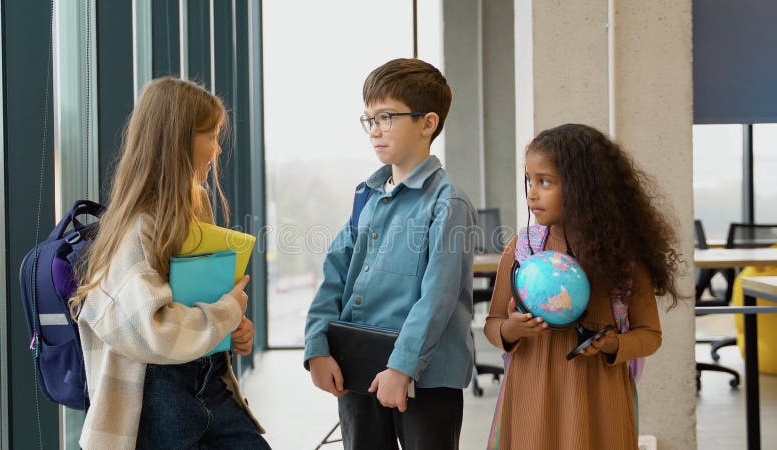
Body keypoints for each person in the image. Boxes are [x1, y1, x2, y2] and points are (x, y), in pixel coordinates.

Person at [70, 77, 270, 450]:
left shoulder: (196, 208)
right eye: (209, 136)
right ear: (178, 141)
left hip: (208, 382)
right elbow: (155, 330)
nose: (216, 149)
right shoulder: (135, 230)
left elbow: (193, 301)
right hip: (157, 399)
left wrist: (234, 329)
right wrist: (227, 312)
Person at [304, 58, 476, 450]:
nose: (375, 131)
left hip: (424, 379)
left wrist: (402, 366)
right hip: (357, 369)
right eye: (369, 120)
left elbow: (438, 298)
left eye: (386, 117)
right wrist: (317, 346)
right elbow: (334, 274)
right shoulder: (367, 195)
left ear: (427, 123)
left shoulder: (448, 204)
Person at [484, 123, 684, 450]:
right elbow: (492, 325)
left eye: (544, 181)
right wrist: (511, 329)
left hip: (598, 399)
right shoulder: (521, 248)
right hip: (530, 395)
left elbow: (650, 335)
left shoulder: (624, 257)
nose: (532, 192)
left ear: (582, 187)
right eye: (529, 181)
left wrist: (612, 345)